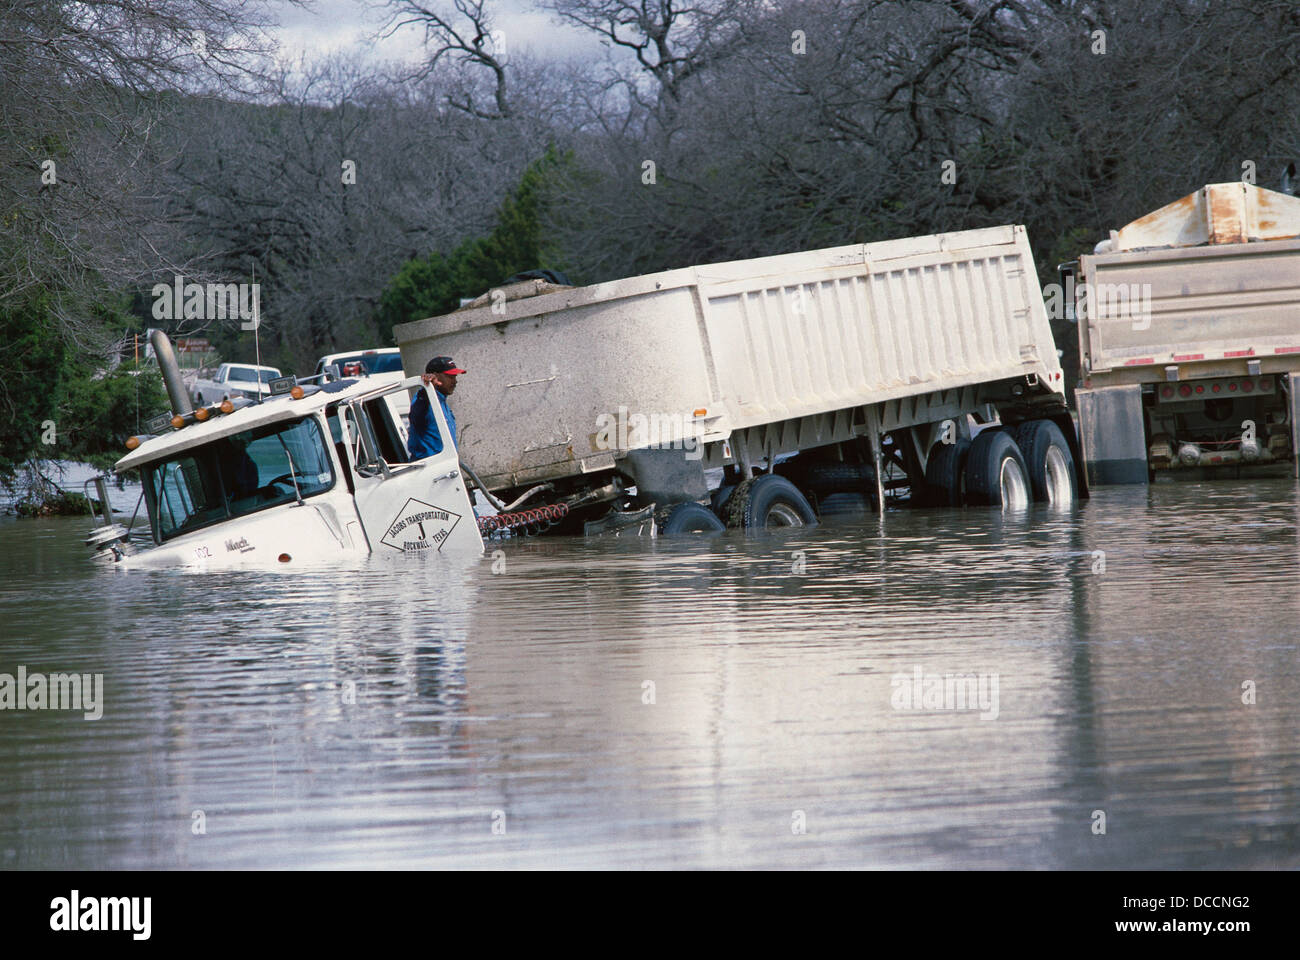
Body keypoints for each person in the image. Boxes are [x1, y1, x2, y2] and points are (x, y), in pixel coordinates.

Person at [407, 355, 465, 460]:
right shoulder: (424, 399)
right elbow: (416, 416)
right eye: (450, 377)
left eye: (455, 377)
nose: (455, 381)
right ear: (435, 376)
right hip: (430, 467)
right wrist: (426, 390)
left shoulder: (441, 401)